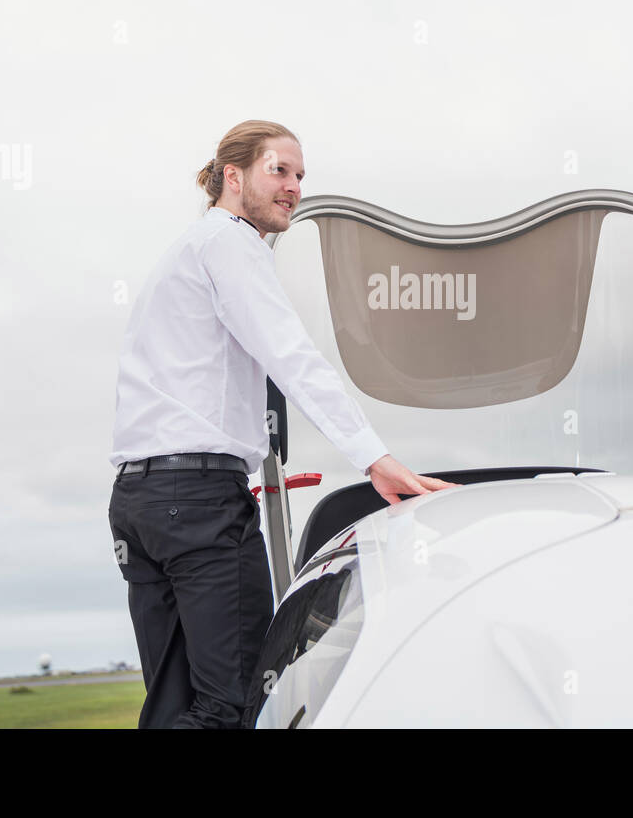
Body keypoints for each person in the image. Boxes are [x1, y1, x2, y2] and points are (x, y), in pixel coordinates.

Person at [107, 119, 456, 728]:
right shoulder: (231, 244)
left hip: (139, 502)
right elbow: (292, 358)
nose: (293, 186)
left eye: (299, 175)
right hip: (198, 504)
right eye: (279, 170)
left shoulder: (187, 250)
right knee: (234, 707)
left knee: (172, 706)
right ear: (233, 177)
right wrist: (376, 458)